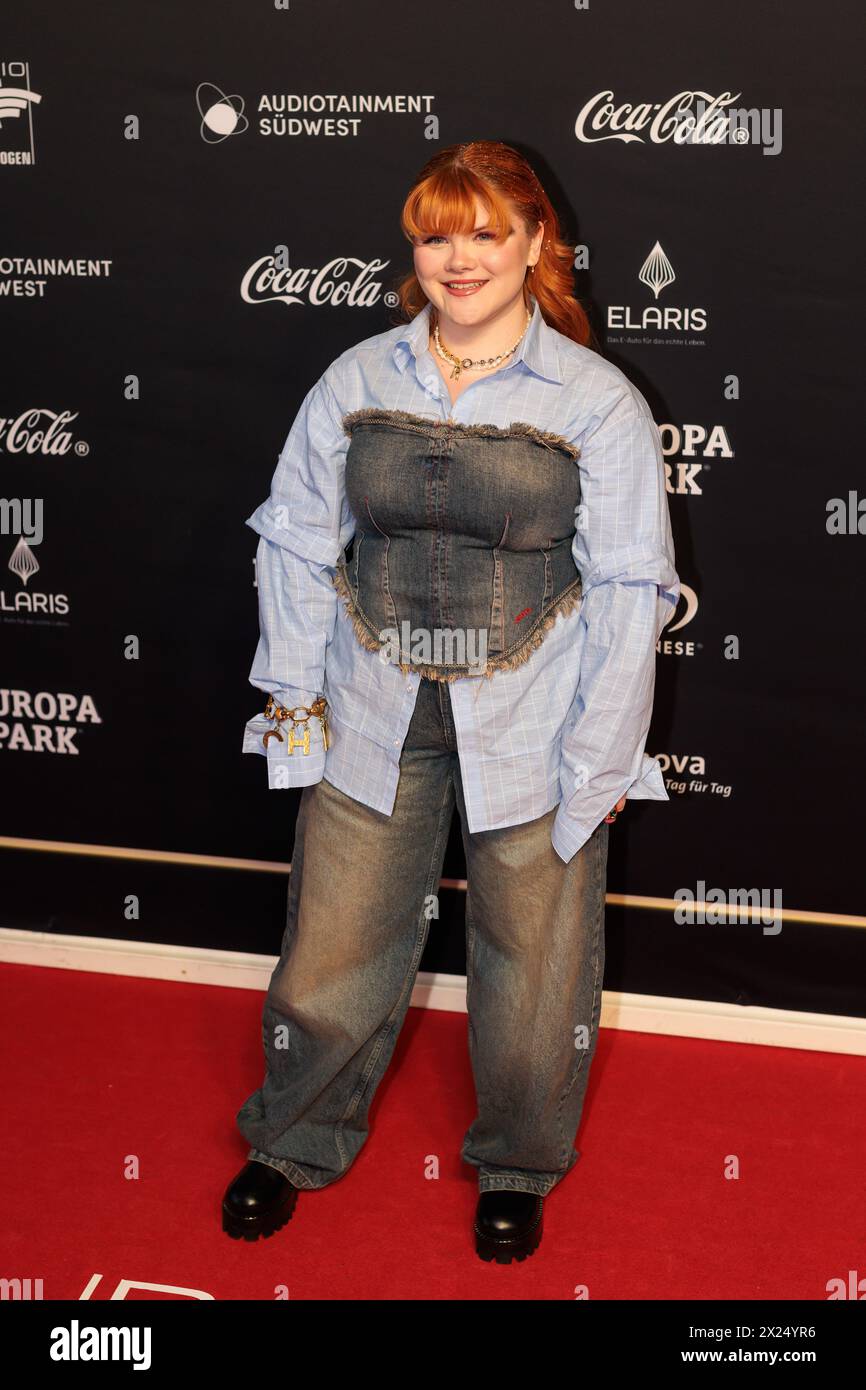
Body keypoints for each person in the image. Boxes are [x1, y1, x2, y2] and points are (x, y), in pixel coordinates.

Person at [222, 140, 679, 1264]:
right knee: (331, 942)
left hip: (534, 708)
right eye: (436, 234)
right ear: (412, 251)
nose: (458, 258)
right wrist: (294, 694)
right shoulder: (356, 377)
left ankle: (517, 1162)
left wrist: (603, 752)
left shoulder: (596, 399)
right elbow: (292, 538)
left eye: (485, 233)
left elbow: (628, 587)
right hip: (371, 701)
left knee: (532, 957)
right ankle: (293, 1140)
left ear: (535, 245)